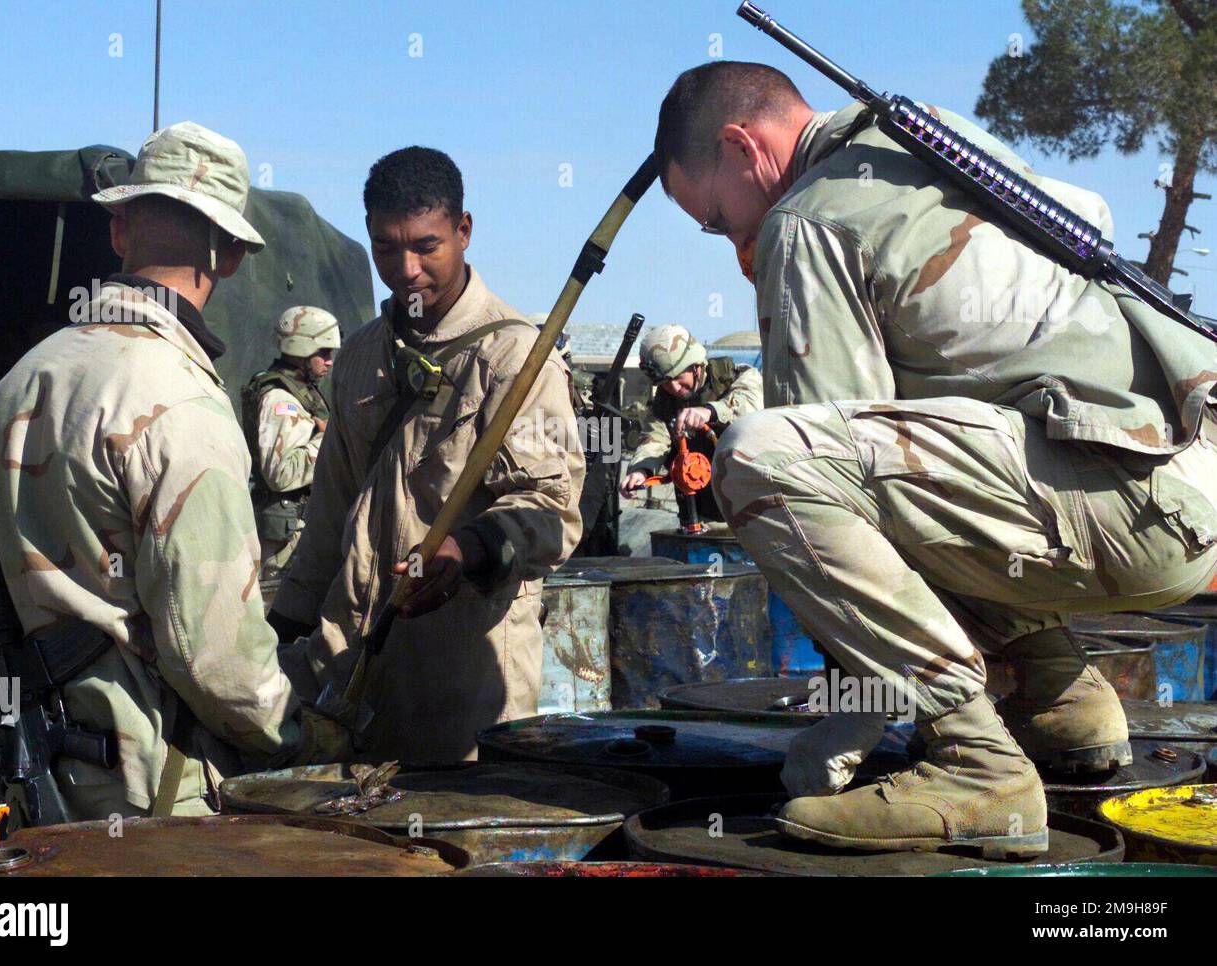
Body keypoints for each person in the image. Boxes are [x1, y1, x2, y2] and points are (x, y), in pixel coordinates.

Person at [653, 61, 1217, 855]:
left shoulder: (807, 221)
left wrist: (852, 716)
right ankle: (1058, 697)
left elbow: (824, 482)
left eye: (716, 218)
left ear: (743, 147)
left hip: (1116, 501)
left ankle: (977, 763)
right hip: (1180, 480)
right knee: (919, 457)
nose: (731, 241)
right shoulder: (932, 140)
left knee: (763, 455)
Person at [0, 122, 351, 820]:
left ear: (119, 231)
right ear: (232, 254)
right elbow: (217, 658)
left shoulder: (20, 380)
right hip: (156, 790)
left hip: (46, 773)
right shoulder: (181, 403)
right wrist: (301, 735)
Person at [270, 146, 584, 761]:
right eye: (386, 249)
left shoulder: (517, 358)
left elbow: (554, 512)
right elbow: (330, 512)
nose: (406, 269)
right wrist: (280, 632)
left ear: (464, 232)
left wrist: (466, 549)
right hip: (353, 667)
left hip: (466, 676)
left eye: (426, 246)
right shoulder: (359, 356)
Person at [619, 323, 762, 524]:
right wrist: (641, 471)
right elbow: (655, 439)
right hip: (697, 513)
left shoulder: (737, 377)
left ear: (696, 366)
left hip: (751, 512)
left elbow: (751, 403)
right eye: (665, 383)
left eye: (678, 378)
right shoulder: (664, 403)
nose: (674, 388)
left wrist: (710, 411)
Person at [242, 306, 339, 579]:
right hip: (284, 538)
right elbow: (281, 475)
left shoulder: (298, 392)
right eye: (324, 353)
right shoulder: (281, 401)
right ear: (302, 349)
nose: (330, 361)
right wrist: (328, 439)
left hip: (294, 528)